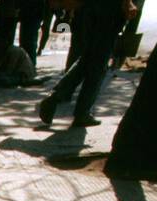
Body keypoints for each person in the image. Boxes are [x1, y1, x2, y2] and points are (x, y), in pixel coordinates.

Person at [37, 0, 137, 128]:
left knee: (88, 59)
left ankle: (58, 98)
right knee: (98, 65)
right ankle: (80, 111)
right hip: (108, 11)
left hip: (89, 10)